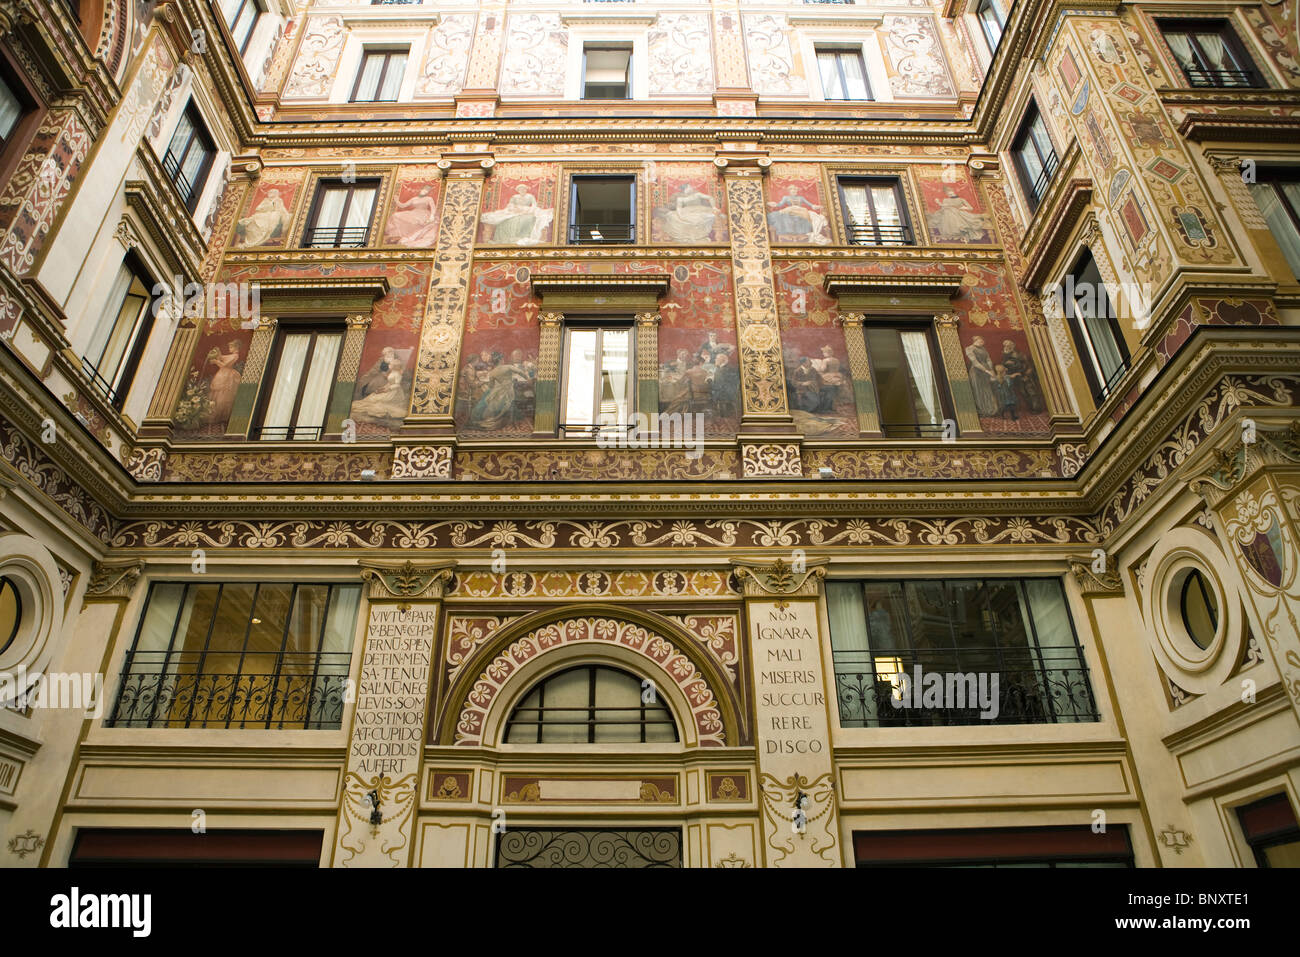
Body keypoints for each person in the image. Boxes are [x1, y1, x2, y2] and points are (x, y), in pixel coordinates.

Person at [481, 183, 552, 244]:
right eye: (521, 189)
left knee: (528, 219)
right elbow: (510, 205)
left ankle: (523, 236)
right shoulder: (515, 197)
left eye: (524, 189)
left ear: (526, 190)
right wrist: (515, 208)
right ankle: (508, 237)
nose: (522, 191)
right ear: (518, 191)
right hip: (516, 211)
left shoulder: (530, 196)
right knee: (507, 220)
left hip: (527, 211)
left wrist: (529, 210)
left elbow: (534, 205)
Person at [999, 339, 1044, 414]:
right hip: (1018, 378)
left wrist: (1026, 375)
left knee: (1031, 392)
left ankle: (1037, 408)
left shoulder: (1020, 355)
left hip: (1026, 376)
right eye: (1005, 346)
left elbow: (1029, 367)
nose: (1006, 347)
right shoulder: (1006, 357)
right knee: (1024, 393)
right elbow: (1004, 367)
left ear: (1012, 346)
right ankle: (1032, 408)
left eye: (1008, 345)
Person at [205, 340, 243, 425]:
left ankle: (220, 415)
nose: (229, 348)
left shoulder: (235, 356)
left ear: (236, 347)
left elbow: (224, 366)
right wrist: (217, 352)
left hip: (227, 375)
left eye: (231, 347)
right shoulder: (231, 355)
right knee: (217, 393)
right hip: (222, 374)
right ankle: (213, 412)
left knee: (224, 394)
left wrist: (215, 362)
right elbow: (222, 357)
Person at [964, 336, 1000, 416]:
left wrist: (991, 369)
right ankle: (982, 410)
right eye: (981, 341)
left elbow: (988, 359)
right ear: (976, 340)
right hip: (977, 372)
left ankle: (990, 409)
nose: (982, 342)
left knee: (987, 390)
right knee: (979, 391)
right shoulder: (969, 348)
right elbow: (975, 362)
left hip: (986, 372)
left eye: (983, 341)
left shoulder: (983, 349)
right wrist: (986, 370)